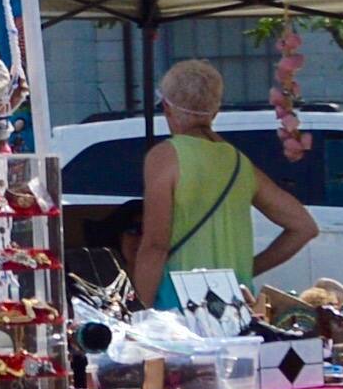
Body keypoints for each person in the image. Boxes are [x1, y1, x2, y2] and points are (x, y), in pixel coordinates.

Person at [128, 57, 317, 307]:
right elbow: (304, 226)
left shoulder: (165, 156)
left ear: (167, 107)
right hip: (235, 304)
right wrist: (246, 269)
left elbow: (155, 246)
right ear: (215, 111)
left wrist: (139, 312)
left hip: (179, 306)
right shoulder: (238, 162)